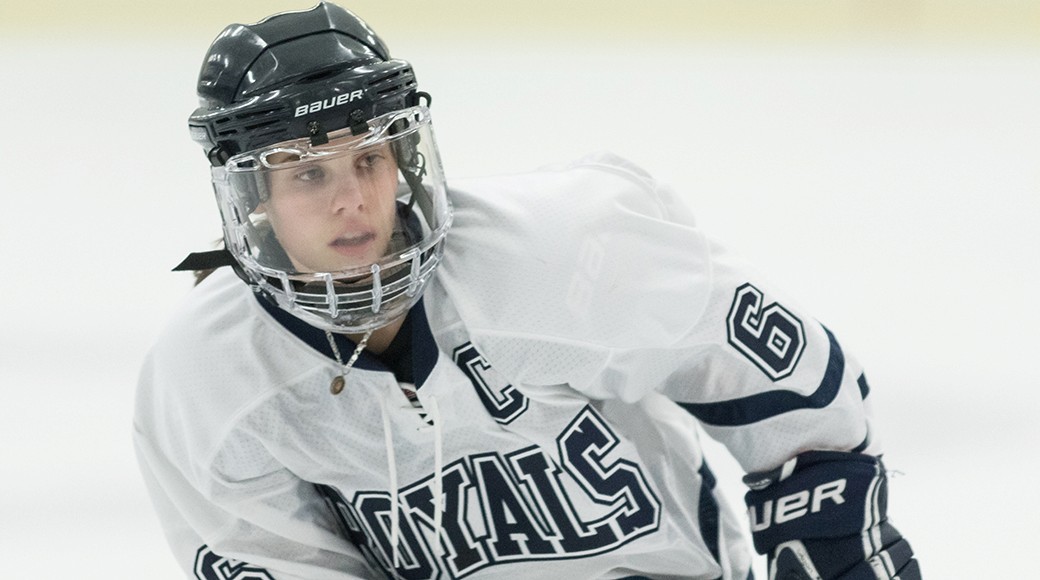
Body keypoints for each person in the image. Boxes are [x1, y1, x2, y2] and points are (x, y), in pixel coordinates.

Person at [133, 3, 922, 579]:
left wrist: (831, 544)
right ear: (252, 200)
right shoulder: (209, 387)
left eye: (370, 159)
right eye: (309, 175)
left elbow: (783, 384)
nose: (353, 201)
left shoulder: (556, 258)